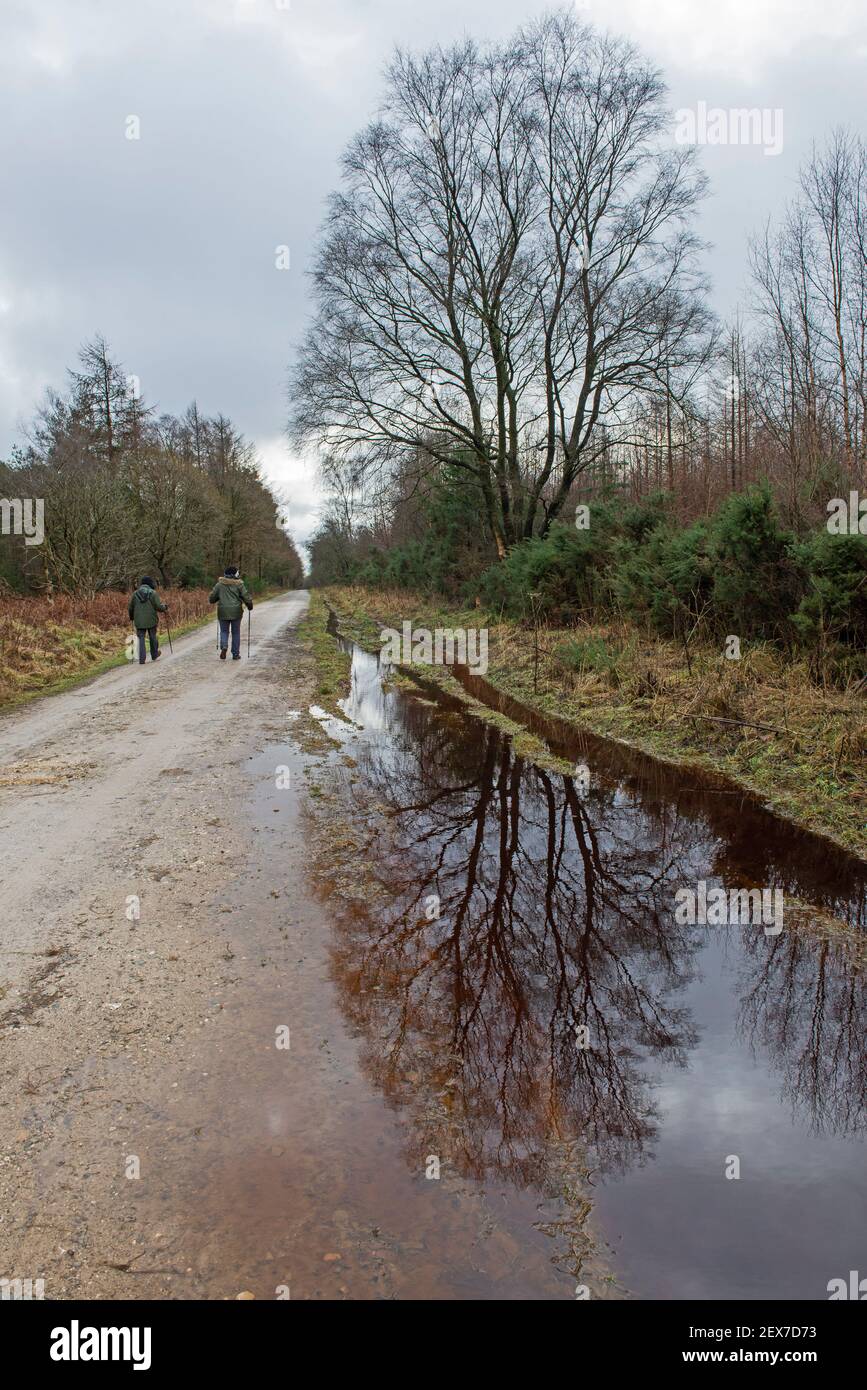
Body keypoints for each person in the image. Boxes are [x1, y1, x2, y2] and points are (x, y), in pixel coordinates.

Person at [209, 565, 253, 660]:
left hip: (223, 612)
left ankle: (224, 647)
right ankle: (235, 654)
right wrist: (250, 605)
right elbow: (246, 597)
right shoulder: (239, 584)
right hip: (236, 612)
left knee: (224, 631)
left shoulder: (219, 585)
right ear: (235, 574)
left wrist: (217, 597)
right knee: (235, 632)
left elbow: (211, 599)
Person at [128, 576, 168, 665]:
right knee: (152, 636)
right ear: (150, 583)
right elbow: (158, 606)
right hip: (151, 619)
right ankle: (154, 654)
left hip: (139, 620)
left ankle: (142, 659)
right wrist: (164, 608)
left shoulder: (135, 594)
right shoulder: (153, 593)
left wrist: (131, 617)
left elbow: (130, 607)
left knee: (141, 638)